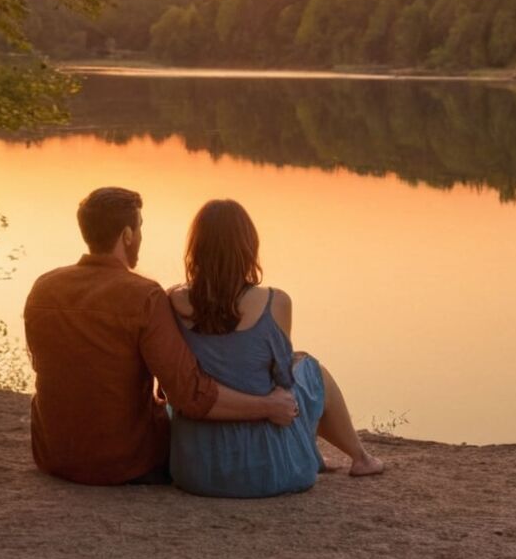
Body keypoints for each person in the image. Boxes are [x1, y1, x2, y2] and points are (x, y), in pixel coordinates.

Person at [24, 187, 298, 486]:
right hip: (124, 462)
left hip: (53, 455)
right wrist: (269, 406)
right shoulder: (145, 296)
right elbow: (190, 395)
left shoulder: (43, 287)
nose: (141, 237)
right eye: (140, 227)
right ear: (127, 234)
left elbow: (42, 364)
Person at [167, 198, 384, 497]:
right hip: (270, 471)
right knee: (310, 369)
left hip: (197, 470)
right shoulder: (275, 301)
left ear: (197, 248)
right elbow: (282, 381)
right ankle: (361, 458)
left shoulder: (173, 301)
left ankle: (327, 454)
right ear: (248, 246)